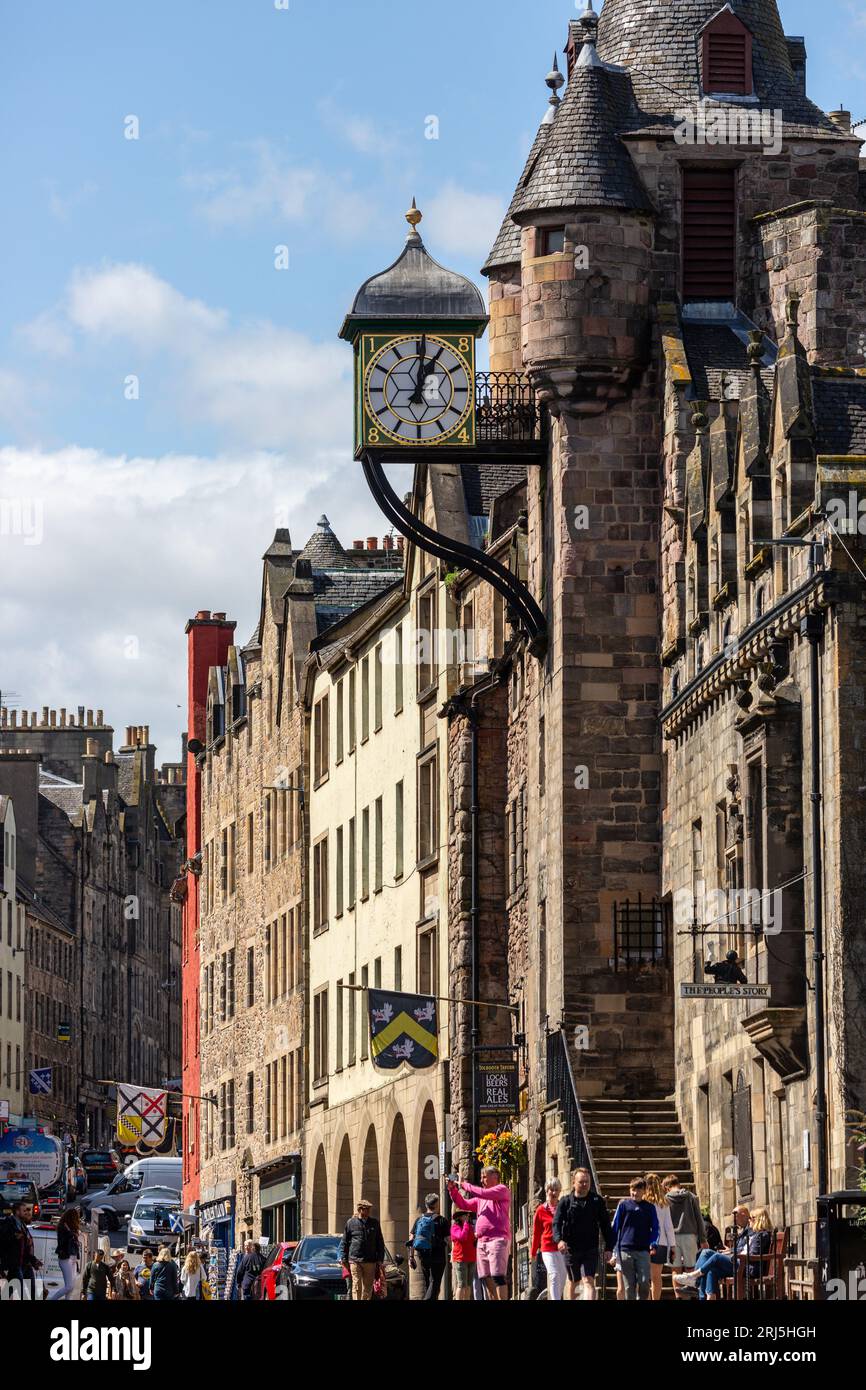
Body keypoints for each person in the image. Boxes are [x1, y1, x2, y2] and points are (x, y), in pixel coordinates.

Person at [674, 1204, 772, 1300]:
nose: (749, 1220)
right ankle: (707, 1296)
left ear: (759, 1219)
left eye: (751, 1218)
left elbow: (752, 1254)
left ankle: (695, 1278)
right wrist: (730, 1252)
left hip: (748, 1267)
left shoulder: (762, 1235)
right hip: (740, 1263)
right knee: (711, 1269)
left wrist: (733, 1254)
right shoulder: (751, 1234)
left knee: (710, 1254)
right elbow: (741, 1249)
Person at [447, 1167, 511, 1301]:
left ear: (495, 1176)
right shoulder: (481, 1199)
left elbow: (482, 1192)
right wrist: (453, 1189)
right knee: (486, 1278)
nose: (481, 1180)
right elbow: (463, 1203)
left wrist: (464, 1184)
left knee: (498, 1277)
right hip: (482, 1242)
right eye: (481, 1177)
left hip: (497, 1239)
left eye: (484, 1177)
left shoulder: (502, 1190)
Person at [552, 1167, 613, 1301]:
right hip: (570, 1248)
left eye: (587, 1181)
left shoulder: (597, 1201)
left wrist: (609, 1247)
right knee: (574, 1281)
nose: (585, 1185)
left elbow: (605, 1226)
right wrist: (559, 1240)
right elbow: (556, 1223)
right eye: (581, 1182)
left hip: (590, 1247)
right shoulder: (565, 1202)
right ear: (574, 1183)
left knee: (588, 1280)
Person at [610, 1177, 659, 1301]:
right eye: (632, 1190)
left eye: (638, 1190)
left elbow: (655, 1228)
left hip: (643, 1250)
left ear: (644, 1191)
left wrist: (653, 1243)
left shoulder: (649, 1208)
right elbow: (615, 1227)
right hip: (625, 1250)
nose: (635, 1193)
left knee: (644, 1283)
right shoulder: (623, 1206)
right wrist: (611, 1250)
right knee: (628, 1286)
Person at [663, 1174, 708, 1296]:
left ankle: (679, 1297)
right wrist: (703, 1238)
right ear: (678, 1184)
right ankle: (690, 1295)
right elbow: (699, 1218)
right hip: (690, 1236)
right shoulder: (690, 1196)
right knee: (691, 1269)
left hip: (672, 1237)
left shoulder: (665, 1199)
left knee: (675, 1269)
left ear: (667, 1187)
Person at [339, 1199, 385, 1302]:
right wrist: (343, 1257)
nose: (368, 1211)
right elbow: (344, 1241)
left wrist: (380, 1259)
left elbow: (380, 1242)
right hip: (355, 1260)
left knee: (367, 1288)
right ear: (360, 1210)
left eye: (369, 1209)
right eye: (366, 1209)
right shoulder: (351, 1223)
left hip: (370, 1261)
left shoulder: (374, 1223)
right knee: (356, 1286)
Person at [531, 1177, 568, 1302]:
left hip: (561, 1248)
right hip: (547, 1248)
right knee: (553, 1274)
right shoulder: (541, 1210)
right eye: (551, 1190)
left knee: (562, 1275)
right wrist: (533, 1252)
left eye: (556, 1190)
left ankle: (557, 1296)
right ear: (546, 1191)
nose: (553, 1193)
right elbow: (536, 1233)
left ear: (559, 1192)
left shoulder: (563, 1208)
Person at [409, 1193, 450, 1300]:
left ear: (426, 1205)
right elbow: (448, 1239)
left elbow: (411, 1239)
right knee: (435, 1283)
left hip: (423, 1255)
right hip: (438, 1256)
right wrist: (454, 1252)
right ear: (436, 1204)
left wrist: (411, 1256)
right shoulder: (442, 1220)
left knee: (429, 1283)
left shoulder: (419, 1220)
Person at [643, 1174, 676, 1302]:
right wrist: (672, 1246)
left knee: (644, 1276)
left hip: (645, 1243)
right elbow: (669, 1227)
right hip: (661, 1243)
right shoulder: (664, 1204)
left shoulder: (643, 1203)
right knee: (657, 1277)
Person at [0, 1197, 42, 1296]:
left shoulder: (22, 1225)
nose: (27, 1212)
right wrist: (14, 1237)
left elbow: (26, 1248)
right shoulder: (9, 1223)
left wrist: (34, 1260)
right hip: (15, 1265)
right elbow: (3, 1242)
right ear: (17, 1212)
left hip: (25, 1264)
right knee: (22, 1292)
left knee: (32, 1292)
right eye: (24, 1211)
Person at [48, 1207, 81, 1301]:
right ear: (71, 1217)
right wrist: (71, 1234)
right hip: (65, 1258)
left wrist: (75, 1238)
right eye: (76, 1217)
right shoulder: (62, 1228)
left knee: (71, 1286)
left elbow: (74, 1242)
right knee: (69, 1286)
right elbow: (62, 1242)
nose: (77, 1219)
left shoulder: (71, 1229)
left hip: (73, 1257)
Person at [450, 1209, 476, 1302]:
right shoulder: (455, 1228)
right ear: (460, 1217)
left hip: (471, 1257)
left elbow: (472, 1239)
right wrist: (465, 1224)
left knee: (469, 1284)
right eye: (466, 1215)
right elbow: (462, 1237)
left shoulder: (468, 1226)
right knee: (461, 1284)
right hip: (460, 1258)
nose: (468, 1217)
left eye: (468, 1216)